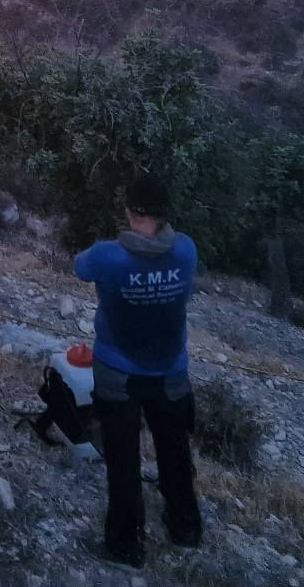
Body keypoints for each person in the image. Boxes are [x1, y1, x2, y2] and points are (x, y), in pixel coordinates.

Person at [74, 172, 202, 568]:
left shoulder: (106, 256)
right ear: (165, 214)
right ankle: (186, 529)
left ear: (129, 211)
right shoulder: (185, 250)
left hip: (119, 373)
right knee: (175, 452)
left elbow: (79, 267)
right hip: (171, 373)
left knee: (123, 460)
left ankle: (126, 546)